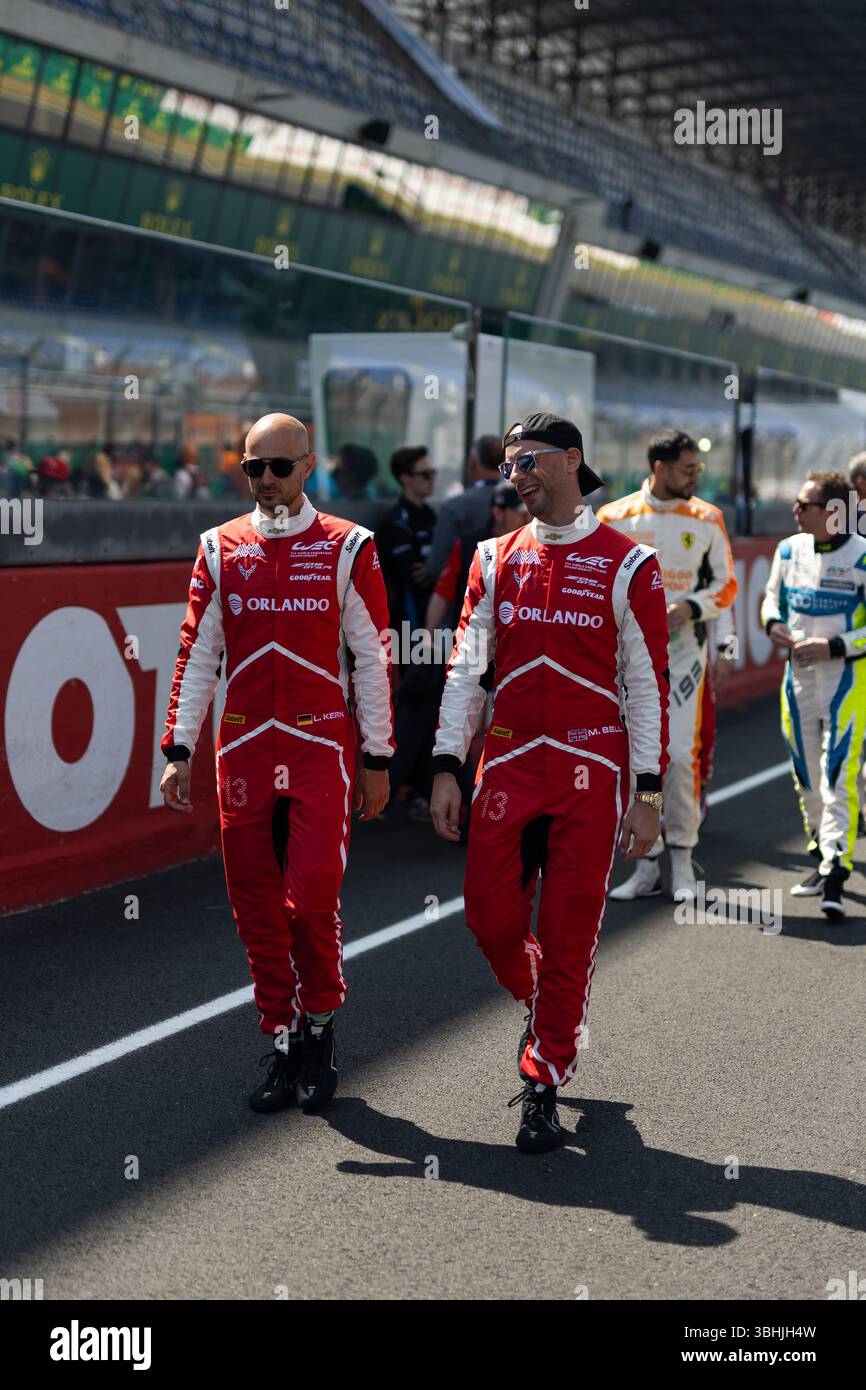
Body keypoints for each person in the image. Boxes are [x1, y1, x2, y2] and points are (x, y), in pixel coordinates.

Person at [431, 412, 670, 1154]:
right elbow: (466, 670)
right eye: (509, 467)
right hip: (506, 762)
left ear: (572, 461)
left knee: (569, 937)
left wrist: (649, 792)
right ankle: (546, 1006)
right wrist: (445, 764)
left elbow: (647, 683)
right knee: (489, 921)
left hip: (592, 770)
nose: (518, 476)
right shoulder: (492, 558)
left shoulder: (631, 563)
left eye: (530, 461)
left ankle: (544, 1077)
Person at [160, 413, 394, 1112]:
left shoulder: (350, 545)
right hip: (244, 746)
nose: (266, 481)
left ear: (309, 466)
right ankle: (284, 1036)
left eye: (279, 468)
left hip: (321, 744)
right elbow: (197, 656)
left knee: (313, 895)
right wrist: (179, 750)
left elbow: (373, 659)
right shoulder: (218, 546)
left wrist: (378, 758)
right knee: (255, 905)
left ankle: (320, 1021)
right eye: (252, 468)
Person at [597, 429, 737, 903]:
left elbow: (727, 588)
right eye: (687, 468)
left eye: (698, 467)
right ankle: (647, 863)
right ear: (659, 468)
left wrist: (716, 639)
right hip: (626, 660)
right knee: (637, 761)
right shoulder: (612, 517)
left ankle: (682, 858)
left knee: (677, 756)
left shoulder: (707, 517)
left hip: (684, 658)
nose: (697, 475)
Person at [761, 470, 866, 920]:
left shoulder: (862, 556)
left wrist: (835, 645)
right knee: (806, 776)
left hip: (846, 679)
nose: (795, 510)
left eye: (805, 504)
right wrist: (773, 625)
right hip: (797, 679)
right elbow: (770, 599)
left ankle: (836, 872)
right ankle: (821, 855)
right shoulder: (788, 549)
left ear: (835, 511)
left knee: (838, 774)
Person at [424, 435, 503, 587]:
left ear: (472, 463)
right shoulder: (522, 503)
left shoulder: (454, 506)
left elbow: (436, 568)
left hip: (464, 597)